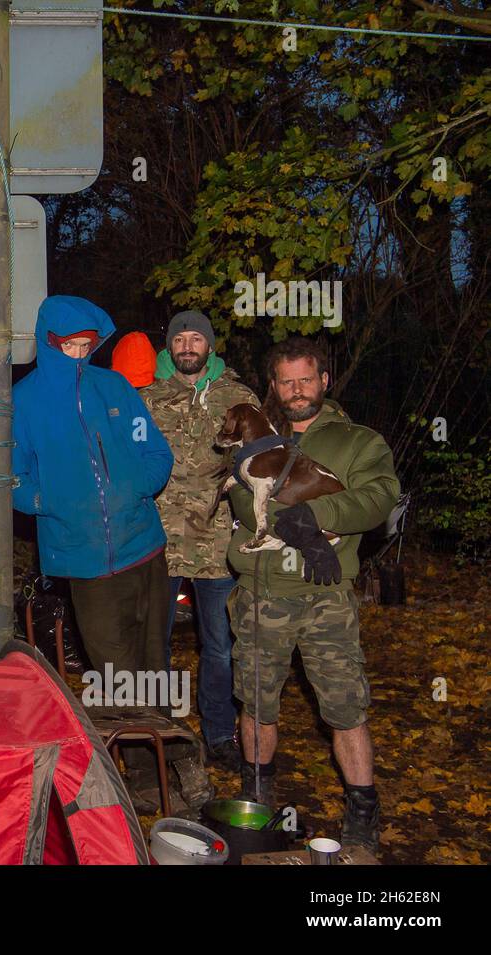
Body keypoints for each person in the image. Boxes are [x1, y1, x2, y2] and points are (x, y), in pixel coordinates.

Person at [226, 336, 399, 854]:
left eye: (306, 379)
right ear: (273, 387)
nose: (297, 390)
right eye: (286, 381)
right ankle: (256, 799)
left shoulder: (357, 441)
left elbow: (378, 497)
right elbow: (239, 492)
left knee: (346, 707)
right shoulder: (256, 436)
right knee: (256, 703)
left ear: (325, 380)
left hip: (325, 595)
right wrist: (288, 520)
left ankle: (362, 809)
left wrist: (318, 514)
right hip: (261, 592)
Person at [12, 295, 175, 682]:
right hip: (82, 557)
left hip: (143, 545)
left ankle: (163, 742)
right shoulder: (23, 400)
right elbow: (11, 478)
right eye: (70, 346)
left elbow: (156, 452)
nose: (79, 355)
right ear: (50, 341)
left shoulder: (114, 386)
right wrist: (46, 501)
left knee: (155, 666)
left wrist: (136, 487)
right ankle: (127, 738)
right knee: (116, 671)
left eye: (86, 346)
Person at [142, 310, 258, 773]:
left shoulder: (238, 396)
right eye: (180, 338)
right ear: (169, 346)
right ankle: (163, 733)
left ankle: (218, 734)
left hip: (217, 541)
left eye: (196, 338)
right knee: (156, 640)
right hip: (159, 539)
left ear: (210, 346)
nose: (187, 346)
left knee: (221, 643)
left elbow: (257, 462)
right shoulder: (146, 399)